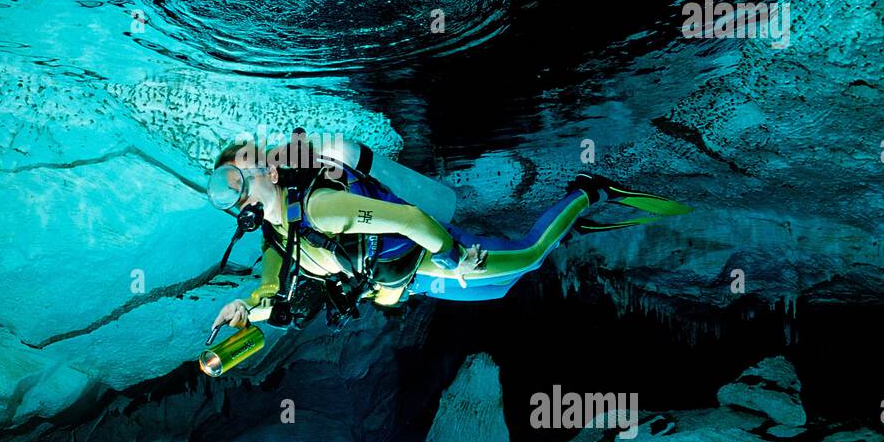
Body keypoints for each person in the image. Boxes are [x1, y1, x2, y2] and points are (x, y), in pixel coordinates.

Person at [206, 132, 689, 334]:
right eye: (225, 191)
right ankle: (569, 225)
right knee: (499, 290)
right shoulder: (275, 234)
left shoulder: (321, 208)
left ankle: (588, 192)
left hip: (431, 257)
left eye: (239, 178)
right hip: (409, 281)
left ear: (270, 171)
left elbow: (411, 221)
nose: (236, 195)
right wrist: (246, 307)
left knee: (528, 257)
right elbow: (272, 289)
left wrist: (455, 257)